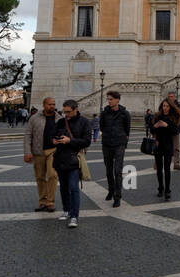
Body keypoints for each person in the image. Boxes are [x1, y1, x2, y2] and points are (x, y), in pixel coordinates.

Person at [52, 98, 92, 228]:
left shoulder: (84, 122)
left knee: (73, 188)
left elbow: (87, 141)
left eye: (68, 112)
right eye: (64, 112)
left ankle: (74, 216)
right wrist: (54, 140)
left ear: (76, 109)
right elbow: (53, 135)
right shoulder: (61, 122)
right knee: (63, 187)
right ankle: (66, 210)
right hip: (60, 158)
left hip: (74, 159)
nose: (66, 115)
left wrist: (70, 141)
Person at [23, 97, 58, 212]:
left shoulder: (59, 118)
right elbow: (28, 135)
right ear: (44, 105)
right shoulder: (34, 118)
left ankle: (50, 202)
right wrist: (27, 152)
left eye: (53, 104)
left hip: (53, 151)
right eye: (49, 104)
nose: (52, 106)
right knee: (40, 177)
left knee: (52, 175)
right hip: (38, 152)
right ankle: (43, 201)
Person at [100, 89, 131, 208]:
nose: (109, 101)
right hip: (107, 144)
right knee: (108, 170)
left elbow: (127, 129)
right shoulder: (104, 113)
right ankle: (111, 190)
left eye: (111, 99)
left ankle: (118, 196)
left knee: (117, 171)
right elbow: (102, 126)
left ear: (117, 100)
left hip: (119, 144)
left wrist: (122, 139)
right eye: (108, 99)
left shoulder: (125, 113)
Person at [152, 98, 178, 200]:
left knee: (167, 169)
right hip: (158, 145)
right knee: (159, 169)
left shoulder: (172, 118)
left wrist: (167, 125)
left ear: (170, 107)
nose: (165, 108)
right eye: (163, 106)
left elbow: (175, 131)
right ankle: (160, 188)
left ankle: (167, 190)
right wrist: (154, 126)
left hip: (168, 146)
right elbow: (151, 129)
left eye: (167, 106)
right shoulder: (158, 116)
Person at [166, 92, 180, 171]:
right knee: (163, 147)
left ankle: (176, 164)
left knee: (176, 148)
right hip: (166, 129)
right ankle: (157, 164)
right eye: (169, 97)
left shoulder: (178, 105)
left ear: (175, 98)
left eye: (172, 96)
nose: (170, 98)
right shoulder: (165, 105)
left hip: (175, 129)